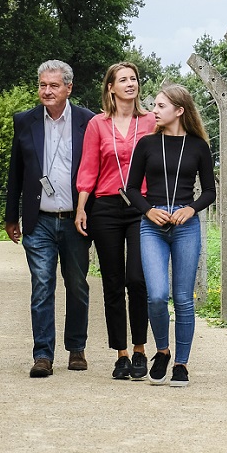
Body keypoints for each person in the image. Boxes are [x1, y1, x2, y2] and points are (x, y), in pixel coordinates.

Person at [5, 59, 96, 378]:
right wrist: (10, 215)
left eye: (53, 85)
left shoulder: (89, 121)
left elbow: (96, 171)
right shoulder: (25, 121)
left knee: (77, 284)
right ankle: (42, 354)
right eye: (42, 85)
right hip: (39, 219)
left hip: (75, 219)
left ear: (68, 88)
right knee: (42, 284)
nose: (46, 91)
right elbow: (16, 170)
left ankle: (76, 348)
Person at [125, 83, 216, 387]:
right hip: (152, 225)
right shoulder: (147, 144)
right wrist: (148, 211)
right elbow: (132, 189)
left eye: (160, 106)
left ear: (179, 110)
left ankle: (181, 363)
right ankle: (162, 351)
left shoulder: (199, 146)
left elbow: (210, 191)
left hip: (185, 225)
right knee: (157, 295)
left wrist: (190, 209)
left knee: (182, 298)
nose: (154, 110)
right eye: (155, 105)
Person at [74, 62, 157, 380]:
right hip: (106, 207)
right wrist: (82, 207)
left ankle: (140, 348)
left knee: (137, 278)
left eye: (133, 79)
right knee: (112, 281)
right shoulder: (98, 124)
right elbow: (89, 168)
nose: (130, 84)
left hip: (141, 206)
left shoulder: (150, 121)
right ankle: (121, 353)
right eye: (123, 80)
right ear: (110, 87)